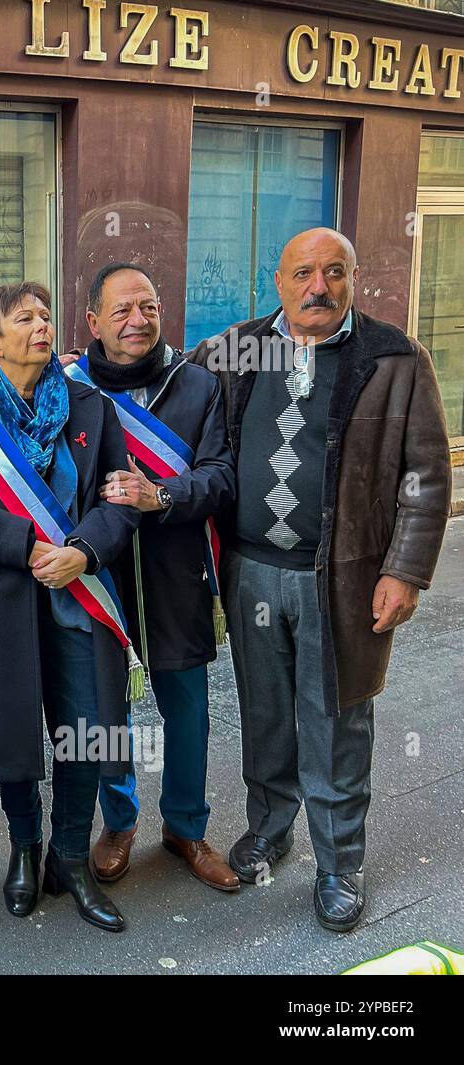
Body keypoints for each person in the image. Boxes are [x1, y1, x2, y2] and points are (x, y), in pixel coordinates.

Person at [186, 227, 452, 931]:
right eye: (304, 273)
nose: (319, 288)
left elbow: (427, 477)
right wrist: (73, 375)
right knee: (266, 715)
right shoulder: (234, 349)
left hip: (344, 580)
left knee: (336, 722)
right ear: (278, 281)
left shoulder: (393, 358)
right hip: (250, 572)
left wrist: (405, 570)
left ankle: (340, 862)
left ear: (352, 279)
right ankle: (271, 831)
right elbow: (162, 399)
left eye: (335, 272)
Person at [0, 282, 142, 932]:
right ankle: (23, 847)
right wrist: (24, 544)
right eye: (25, 318)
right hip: (2, 610)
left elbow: (120, 499)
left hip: (79, 601)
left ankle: (69, 857)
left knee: (83, 735)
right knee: (15, 737)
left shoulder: (90, 405)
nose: (42, 325)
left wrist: (84, 551)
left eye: (47, 315)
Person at [65, 262, 240, 892]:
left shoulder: (198, 384)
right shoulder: (68, 387)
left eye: (148, 307)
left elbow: (221, 476)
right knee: (108, 710)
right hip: (103, 581)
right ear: (92, 322)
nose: (138, 321)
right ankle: (119, 822)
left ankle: (187, 827)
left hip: (177, 578)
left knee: (187, 711)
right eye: (121, 312)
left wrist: (160, 494)